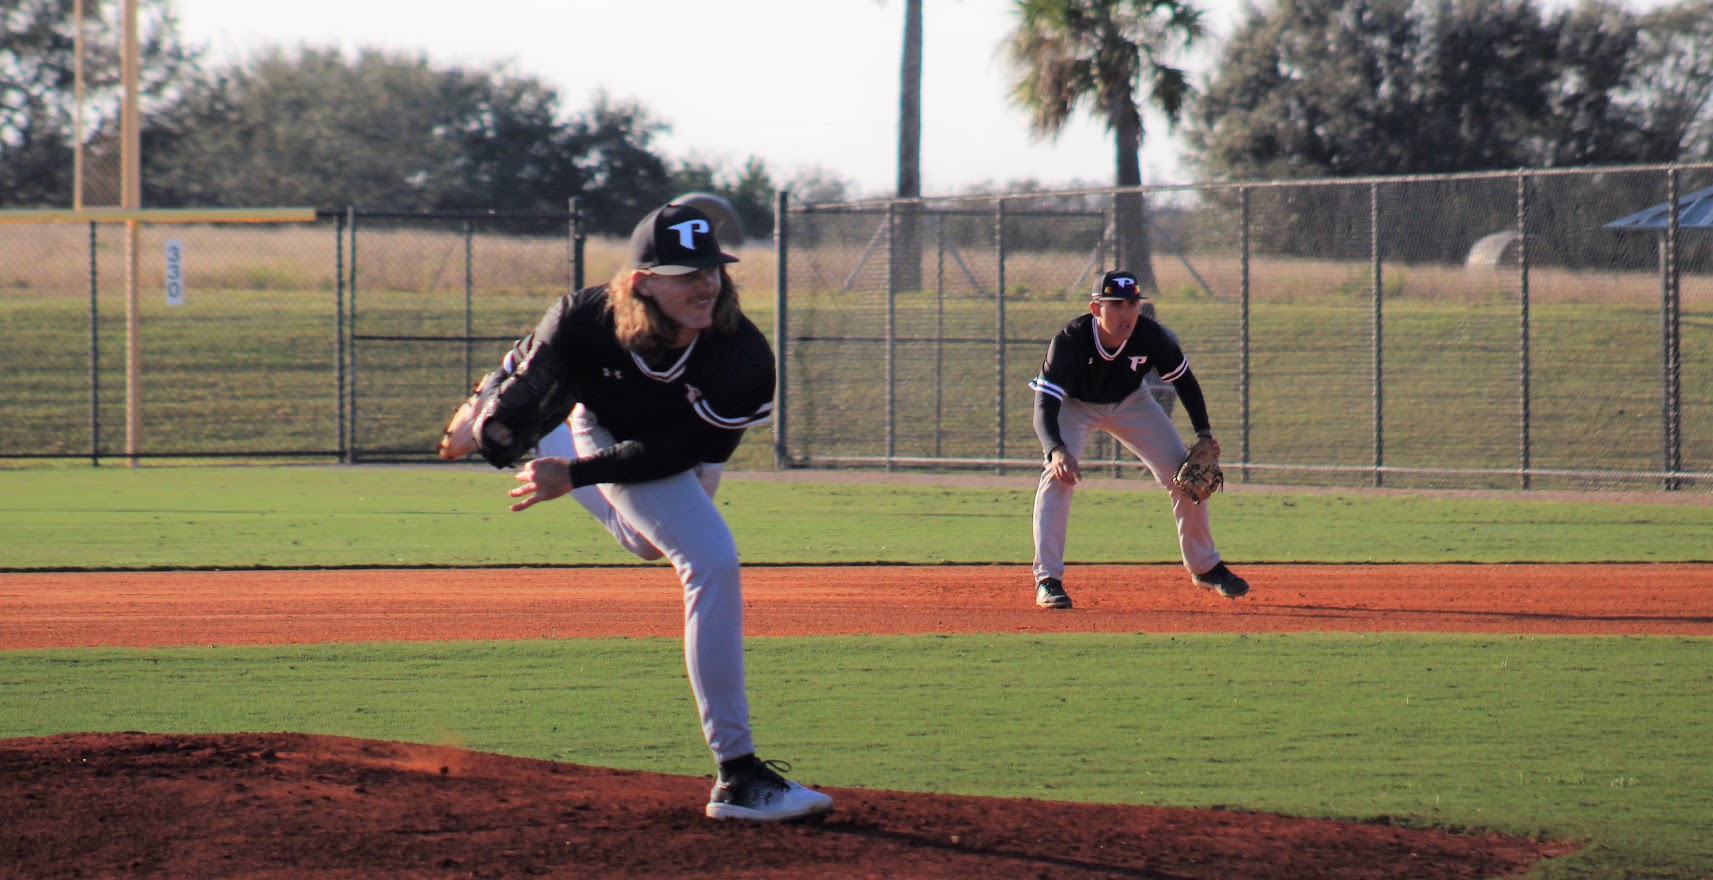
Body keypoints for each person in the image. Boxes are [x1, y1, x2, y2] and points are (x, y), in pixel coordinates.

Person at [447, 202, 834, 822]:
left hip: (693, 439)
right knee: (710, 559)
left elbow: (674, 450)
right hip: (602, 422)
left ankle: (558, 452)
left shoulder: (742, 355)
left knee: (652, 541)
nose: (707, 283)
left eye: (712, 268)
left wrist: (573, 475)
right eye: (686, 272)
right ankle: (738, 776)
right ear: (641, 281)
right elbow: (521, 395)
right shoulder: (584, 319)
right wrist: (490, 415)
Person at [1028, 269, 1250, 610]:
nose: (1127, 312)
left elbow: (1185, 381)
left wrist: (1204, 434)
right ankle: (1048, 580)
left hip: (1132, 401)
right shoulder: (1070, 340)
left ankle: (1206, 567)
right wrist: (1055, 450)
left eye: (1132, 303)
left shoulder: (1149, 335)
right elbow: (1044, 404)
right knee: (1057, 478)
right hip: (1076, 405)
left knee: (1186, 476)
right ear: (1095, 308)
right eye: (1116, 304)